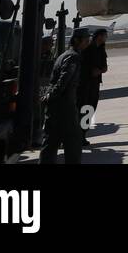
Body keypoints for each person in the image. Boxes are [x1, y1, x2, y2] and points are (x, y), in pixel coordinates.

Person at [41, 28, 89, 164]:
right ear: (77, 40)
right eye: (85, 40)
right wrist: (51, 95)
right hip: (65, 107)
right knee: (73, 142)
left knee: (50, 142)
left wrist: (49, 97)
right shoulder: (73, 57)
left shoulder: (64, 55)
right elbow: (64, 81)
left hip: (55, 106)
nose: (87, 42)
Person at [78, 28, 108, 144]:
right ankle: (78, 135)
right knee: (82, 108)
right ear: (99, 36)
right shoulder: (88, 49)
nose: (106, 38)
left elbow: (104, 67)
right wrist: (92, 71)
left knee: (90, 109)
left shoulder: (101, 49)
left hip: (95, 84)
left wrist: (100, 71)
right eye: (105, 35)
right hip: (85, 83)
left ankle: (83, 134)